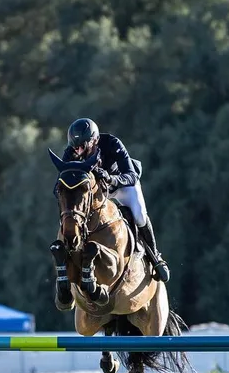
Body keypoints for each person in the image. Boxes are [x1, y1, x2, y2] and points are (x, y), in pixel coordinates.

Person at [61, 118, 170, 282]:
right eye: (76, 146)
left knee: (139, 215)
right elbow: (62, 183)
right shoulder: (71, 153)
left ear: (95, 140)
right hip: (96, 193)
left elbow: (132, 175)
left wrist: (111, 179)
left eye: (83, 145)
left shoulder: (112, 143)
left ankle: (155, 256)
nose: (79, 150)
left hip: (121, 185)